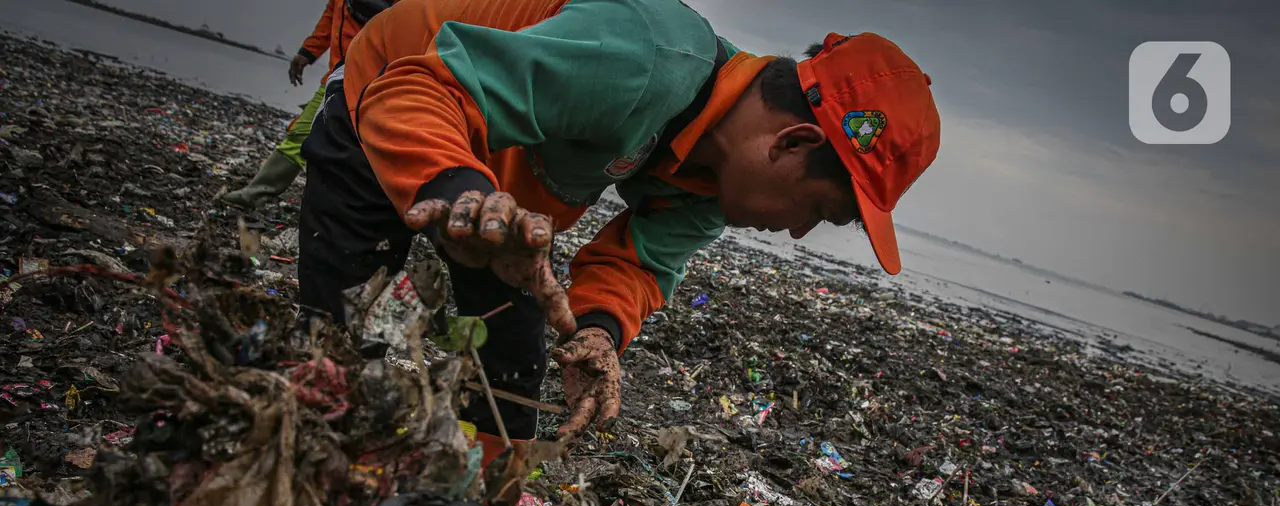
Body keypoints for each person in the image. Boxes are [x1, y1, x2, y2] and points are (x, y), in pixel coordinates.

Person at [297, 0, 941, 464]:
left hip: (501, 195)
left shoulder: (713, 184)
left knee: (511, 379)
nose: (799, 233)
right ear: (793, 142)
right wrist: (462, 196)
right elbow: (419, 89)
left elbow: (639, 263)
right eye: (818, 209)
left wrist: (600, 333)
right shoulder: (644, 58)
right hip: (394, 90)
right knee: (342, 338)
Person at [222, 0, 395, 208]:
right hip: (337, 78)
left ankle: (371, 209)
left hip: (375, 81)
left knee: (369, 148)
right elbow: (330, 18)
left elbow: (405, 27)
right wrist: (307, 52)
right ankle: (256, 193)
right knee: (301, 133)